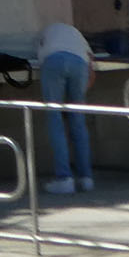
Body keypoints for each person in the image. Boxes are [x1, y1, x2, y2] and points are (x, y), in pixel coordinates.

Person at [36, 17, 93, 193]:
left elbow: (41, 61)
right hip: (80, 64)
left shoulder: (44, 33)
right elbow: (91, 68)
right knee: (78, 121)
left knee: (55, 119)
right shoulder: (77, 35)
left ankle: (64, 178)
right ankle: (86, 178)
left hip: (53, 61)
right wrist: (78, 96)